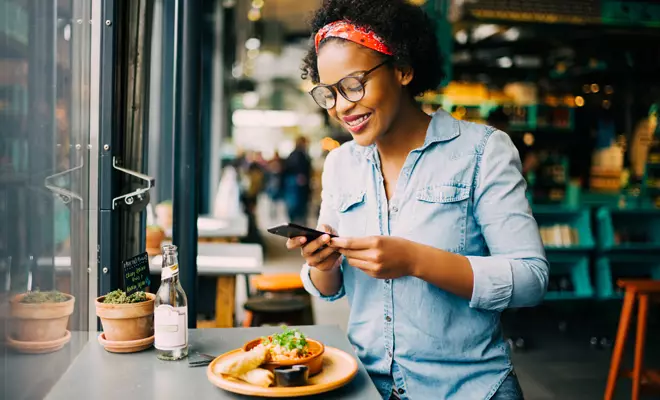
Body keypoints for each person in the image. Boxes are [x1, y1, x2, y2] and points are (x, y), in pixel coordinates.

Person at [285, 1, 549, 399]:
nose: (341, 106)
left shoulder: (481, 152)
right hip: (367, 386)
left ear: (403, 69)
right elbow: (328, 288)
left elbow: (531, 279)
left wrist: (415, 261)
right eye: (329, 93)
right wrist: (322, 263)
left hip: (469, 389)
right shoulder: (341, 163)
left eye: (354, 85)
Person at [282, 136, 313, 225]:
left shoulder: (293, 154)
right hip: (297, 186)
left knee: (295, 207)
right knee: (298, 207)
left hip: (295, 185)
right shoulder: (300, 155)